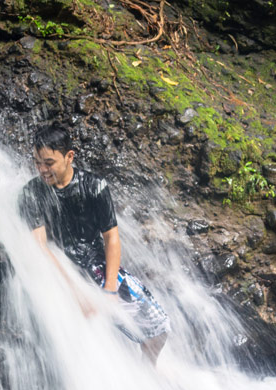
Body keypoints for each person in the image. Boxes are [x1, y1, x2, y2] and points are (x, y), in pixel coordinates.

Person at [18, 123, 170, 364]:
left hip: (97, 264)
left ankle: (147, 371)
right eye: (37, 163)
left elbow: (111, 238)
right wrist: (76, 293)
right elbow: (40, 248)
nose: (42, 170)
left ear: (69, 157)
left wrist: (109, 289)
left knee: (159, 328)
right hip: (59, 269)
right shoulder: (31, 193)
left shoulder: (94, 186)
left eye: (48, 163)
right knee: (81, 343)